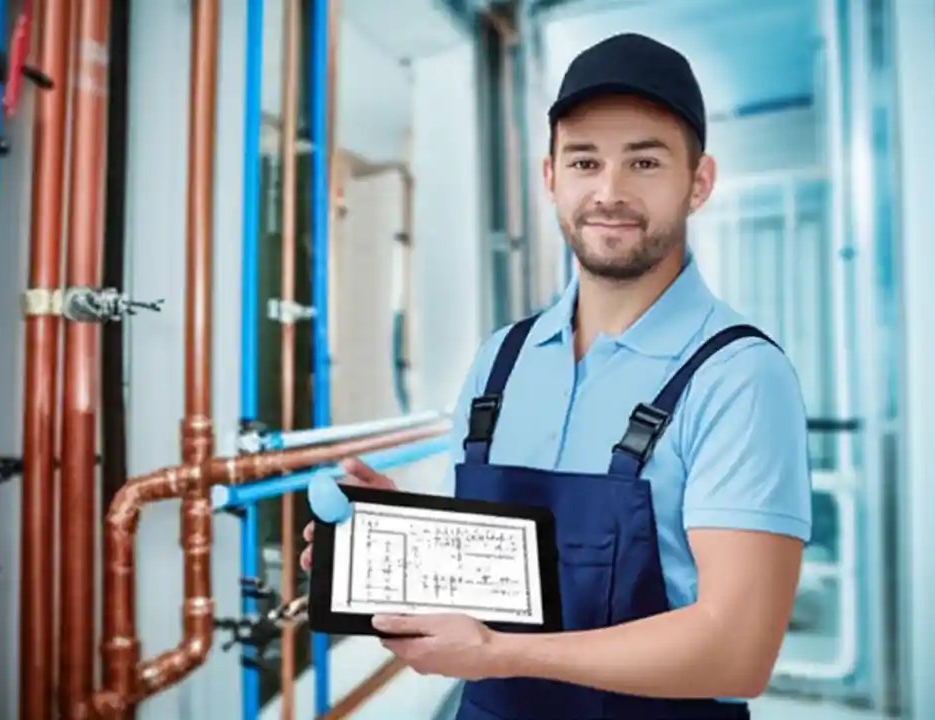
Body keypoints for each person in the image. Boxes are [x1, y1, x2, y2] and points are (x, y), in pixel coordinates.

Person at [301, 31, 812, 720]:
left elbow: (736, 651)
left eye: (645, 162)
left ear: (699, 182)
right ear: (550, 179)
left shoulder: (740, 377)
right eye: (584, 161)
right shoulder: (500, 361)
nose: (610, 190)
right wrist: (409, 537)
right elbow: (503, 582)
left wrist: (503, 654)